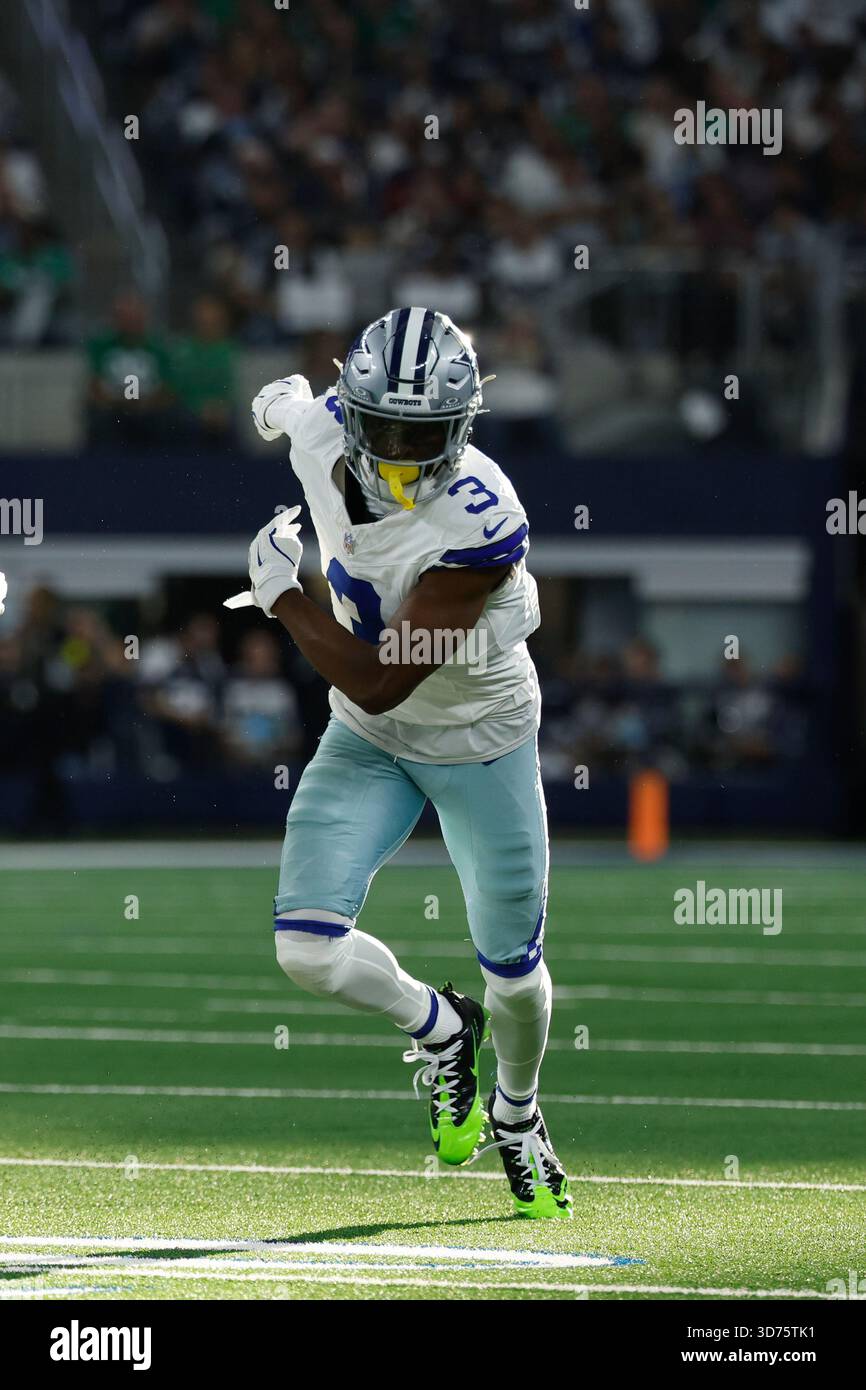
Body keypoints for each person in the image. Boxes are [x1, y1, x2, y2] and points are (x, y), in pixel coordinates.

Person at [230, 307, 570, 1218]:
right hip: (371, 738)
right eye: (379, 427)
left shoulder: (477, 516)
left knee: (516, 977)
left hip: (477, 739)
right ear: (352, 409)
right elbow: (291, 408)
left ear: (461, 431)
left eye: (420, 436)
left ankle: (519, 1108)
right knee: (304, 950)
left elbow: (384, 680)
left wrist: (285, 601)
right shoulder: (325, 431)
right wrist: (280, 404)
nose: (395, 450)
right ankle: (436, 1025)